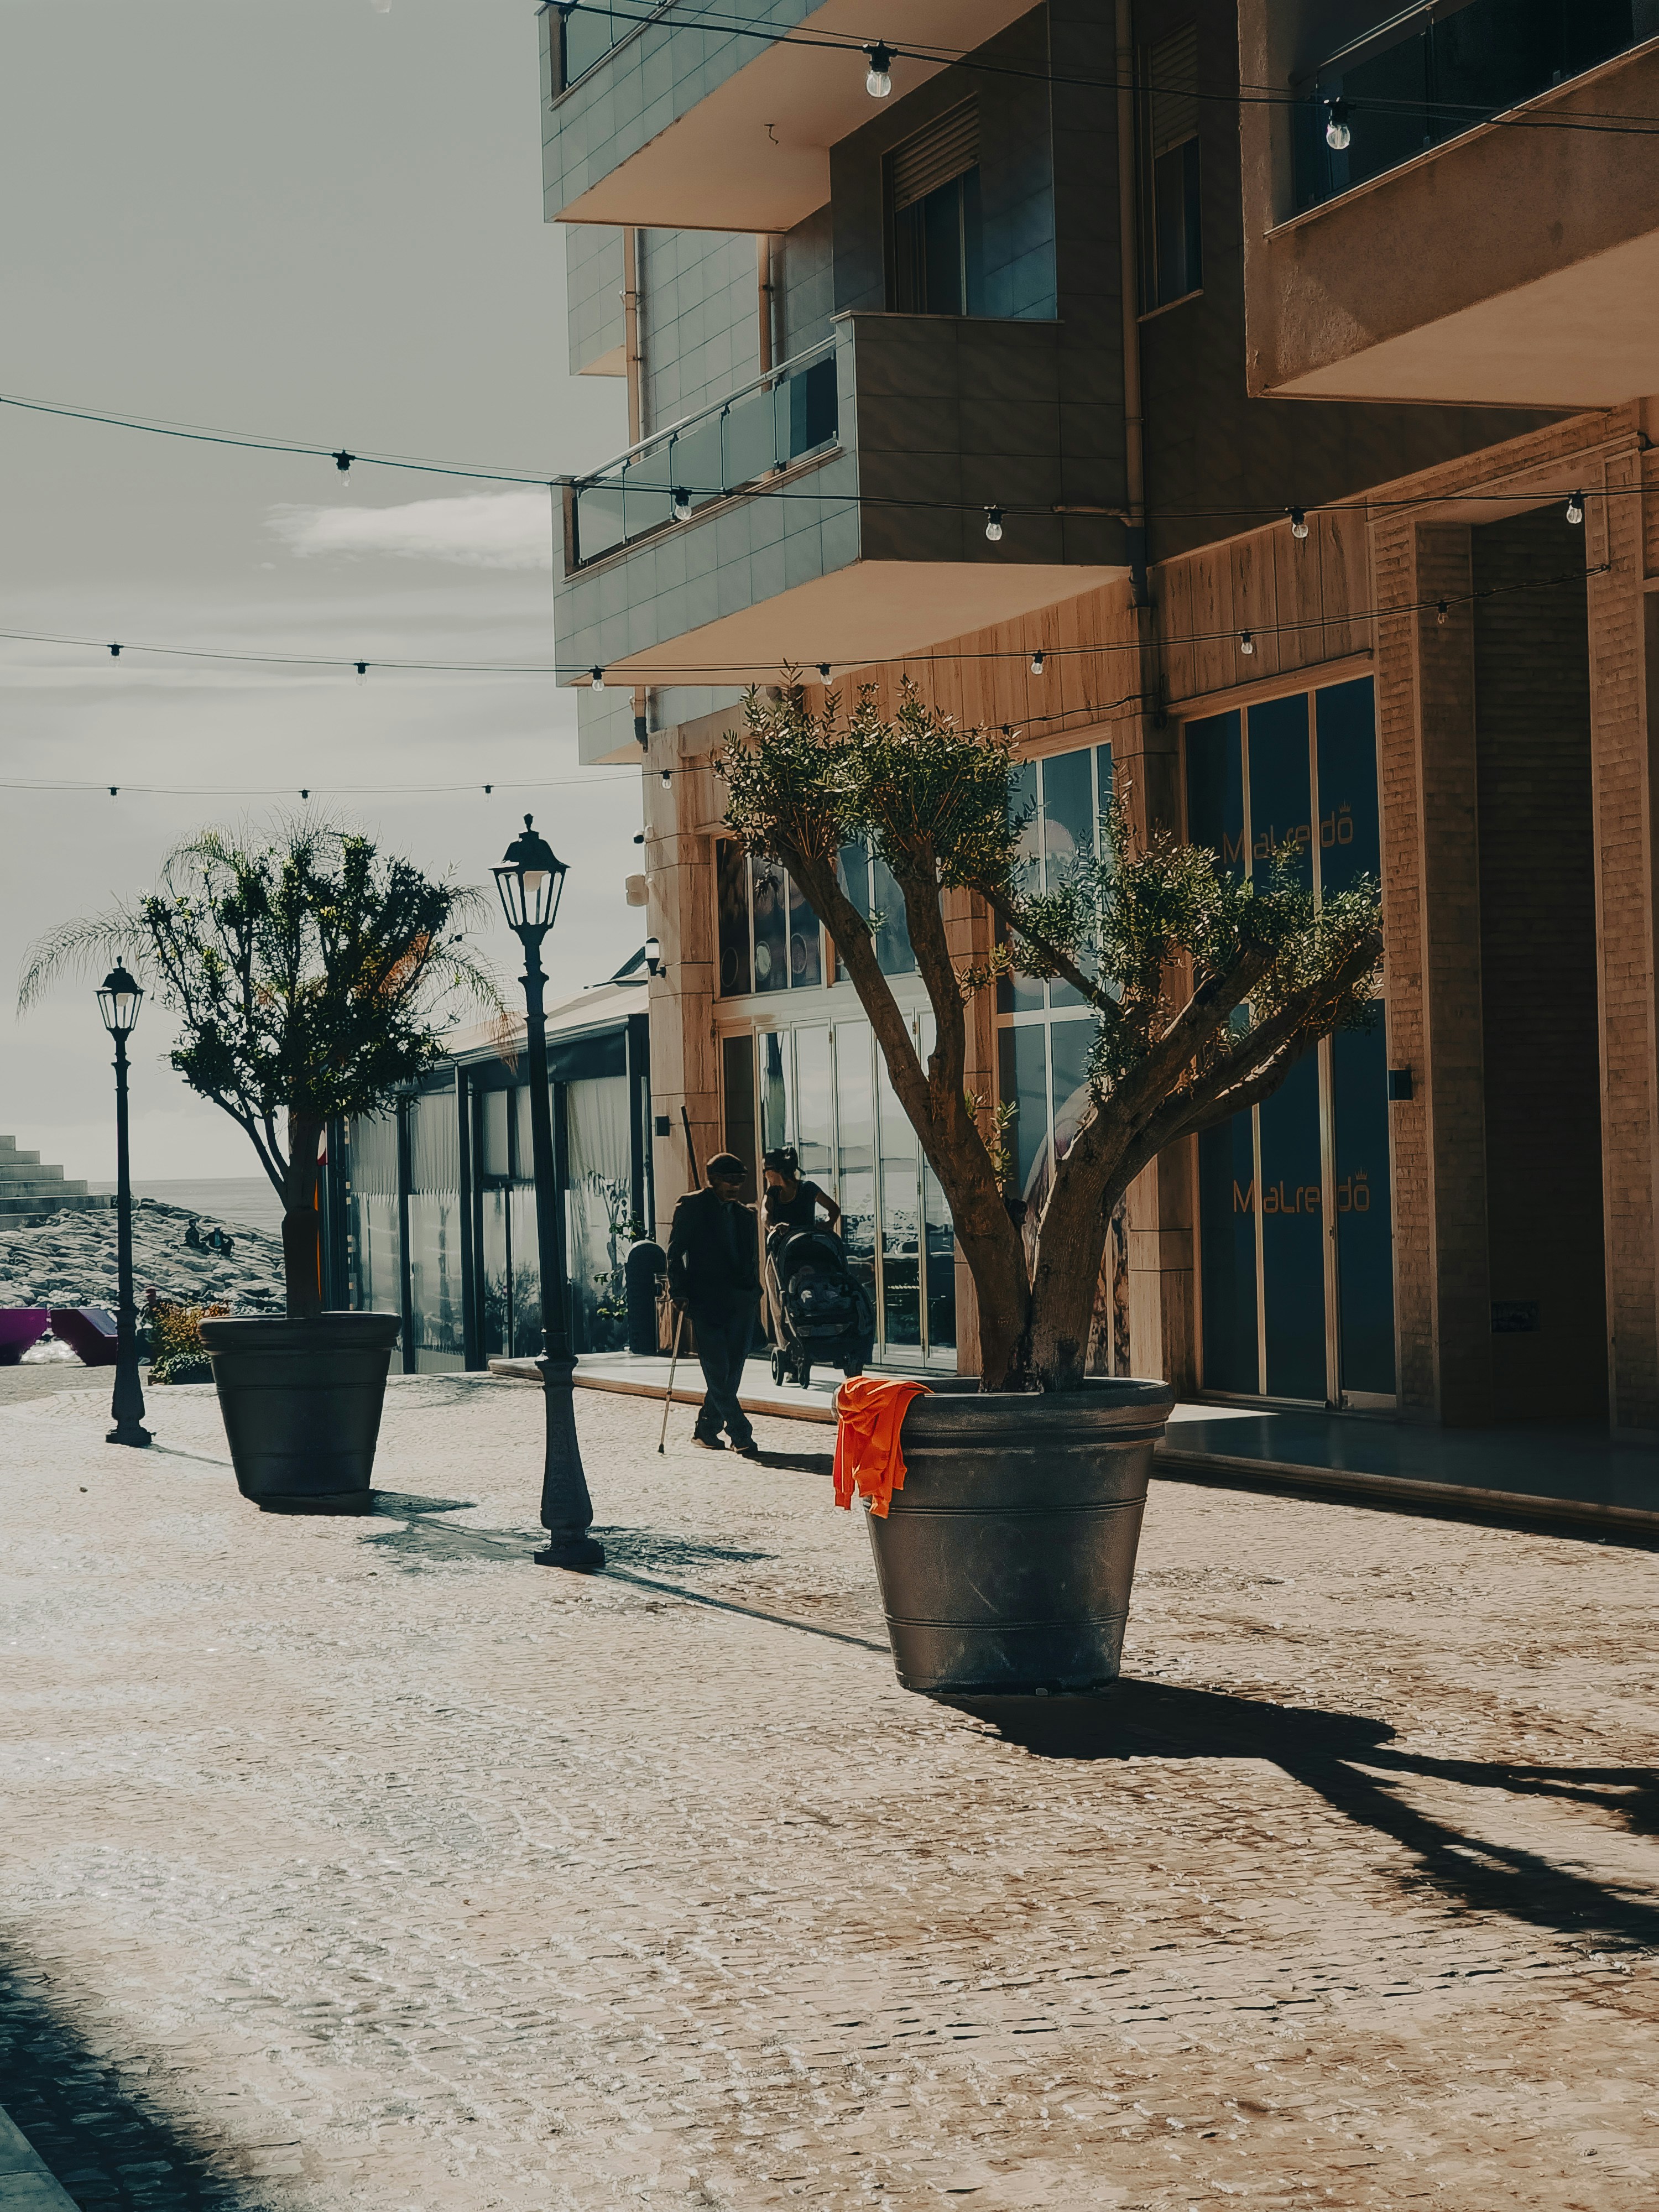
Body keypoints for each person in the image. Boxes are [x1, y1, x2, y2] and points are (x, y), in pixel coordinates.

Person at [666, 1151, 761, 1455]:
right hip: (705, 1299)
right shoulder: (692, 1206)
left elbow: (751, 1259)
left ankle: (706, 1430)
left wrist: (753, 1294)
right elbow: (675, 1252)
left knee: (733, 1369)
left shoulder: (745, 1216)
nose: (735, 1187)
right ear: (713, 1180)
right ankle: (740, 1432)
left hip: (741, 1301)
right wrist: (678, 1290)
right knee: (717, 1368)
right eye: (729, 1181)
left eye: (740, 1181)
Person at [761, 1145, 840, 1233]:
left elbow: (834, 1209)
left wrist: (826, 1225)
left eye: (765, 1171)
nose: (765, 1175)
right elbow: (765, 1215)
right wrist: (773, 1228)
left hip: (806, 1242)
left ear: (777, 1170)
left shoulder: (807, 1188)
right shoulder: (773, 1192)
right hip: (783, 1245)